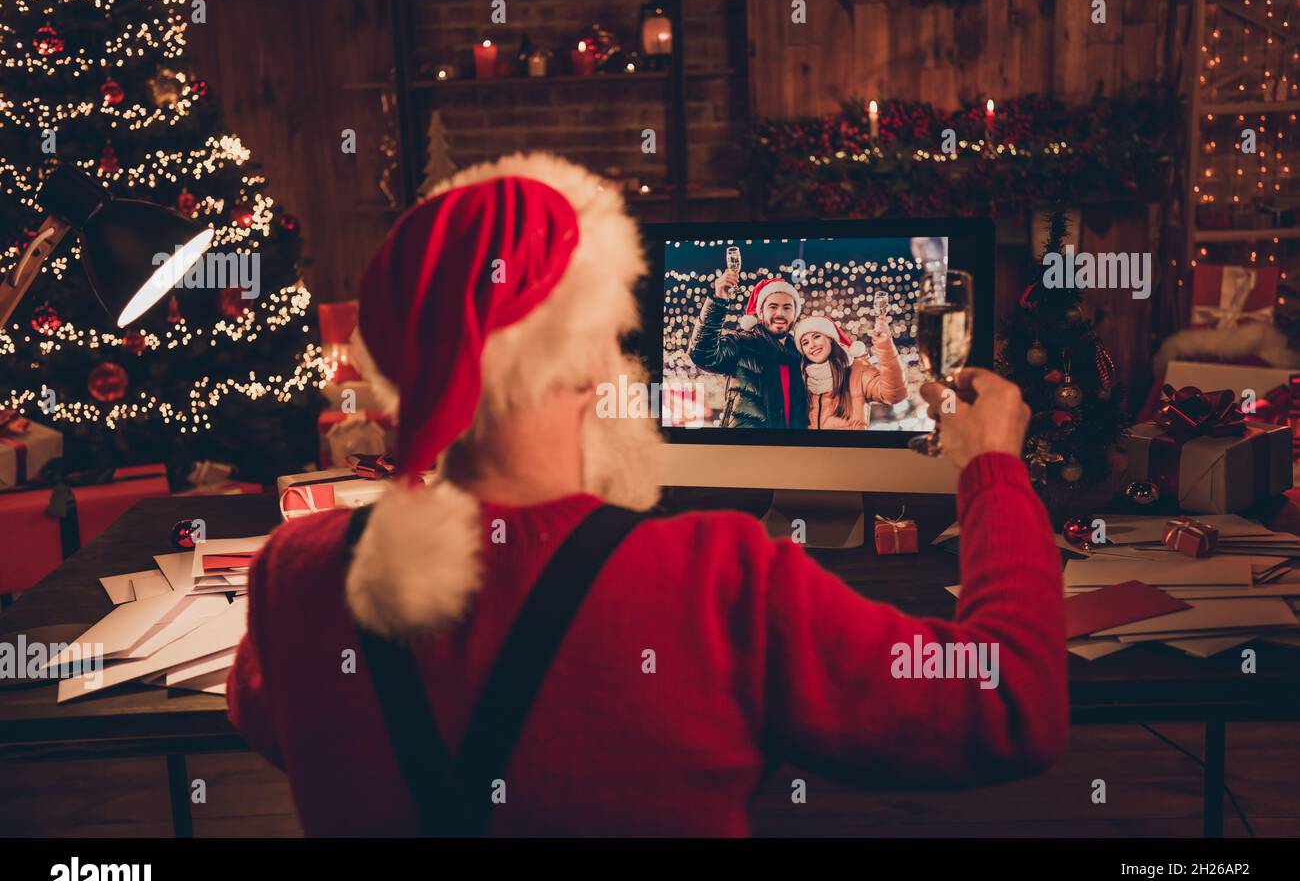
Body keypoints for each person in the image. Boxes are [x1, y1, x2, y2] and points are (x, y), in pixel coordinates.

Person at [227, 153, 1067, 837]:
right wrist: (991, 464)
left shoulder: (293, 574)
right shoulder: (716, 581)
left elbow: (275, 720)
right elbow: (1013, 700)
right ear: (596, 355)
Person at [687, 268, 807, 428]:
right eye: (772, 307)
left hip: (792, 449)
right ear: (761, 313)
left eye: (787, 307)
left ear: (795, 314)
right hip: (746, 448)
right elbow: (702, 354)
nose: (780, 313)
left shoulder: (800, 353)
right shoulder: (742, 343)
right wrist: (719, 300)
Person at [794, 314, 907, 430]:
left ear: (830, 338)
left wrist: (885, 345)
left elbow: (894, 394)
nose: (812, 345)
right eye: (805, 343)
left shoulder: (857, 370)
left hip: (850, 448)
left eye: (816, 336)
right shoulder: (805, 380)